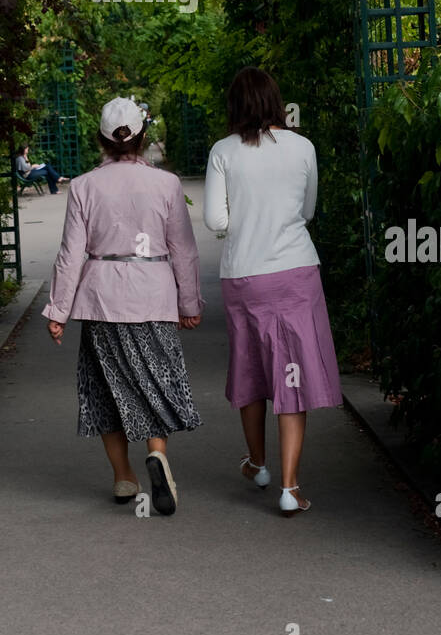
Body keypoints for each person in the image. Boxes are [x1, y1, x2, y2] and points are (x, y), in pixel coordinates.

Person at [43, 96, 203, 515]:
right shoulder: (166, 185)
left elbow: (70, 253)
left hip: (102, 300)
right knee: (156, 380)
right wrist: (189, 302)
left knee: (104, 389)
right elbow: (183, 250)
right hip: (154, 297)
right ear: (143, 137)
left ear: (101, 138)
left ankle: (122, 477)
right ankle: (157, 454)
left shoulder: (83, 186)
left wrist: (58, 311)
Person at [203, 67, 342, 516]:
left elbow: (216, 222)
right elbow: (309, 209)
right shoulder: (303, 147)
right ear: (276, 101)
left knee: (251, 369)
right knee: (292, 374)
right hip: (296, 270)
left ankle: (258, 464)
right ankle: (290, 487)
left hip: (244, 275)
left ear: (236, 106)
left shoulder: (223, 151)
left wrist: (242, 224)